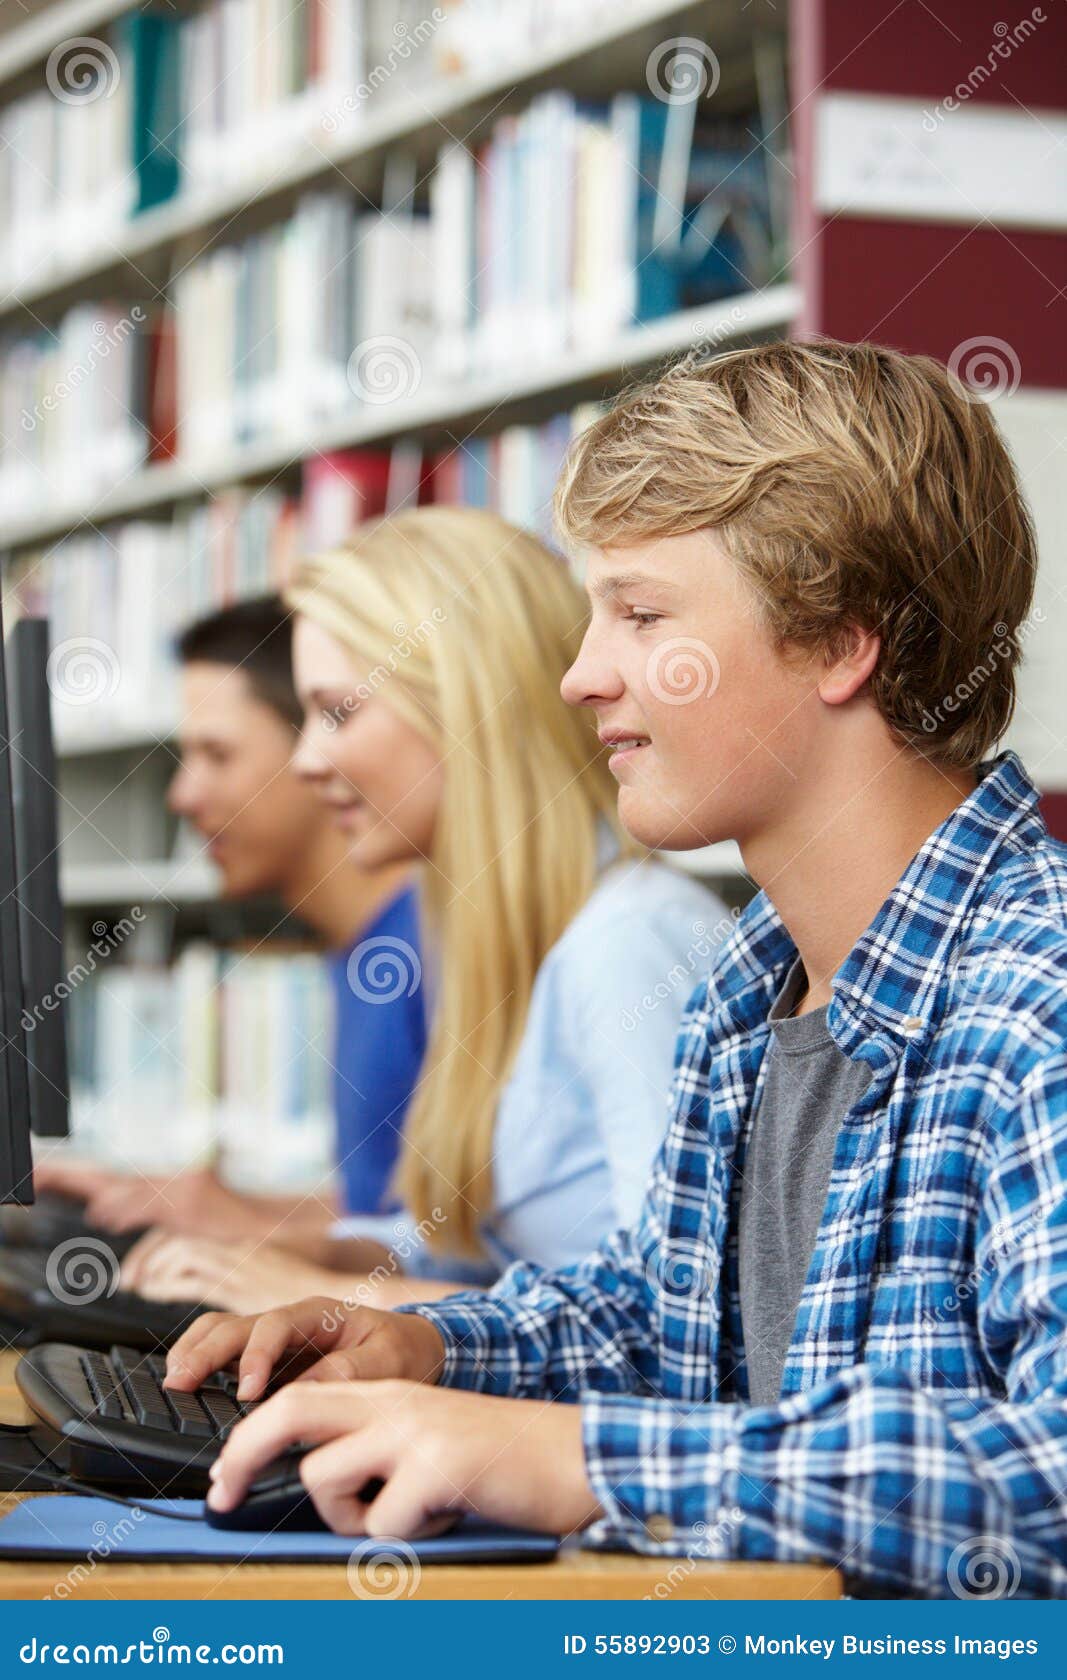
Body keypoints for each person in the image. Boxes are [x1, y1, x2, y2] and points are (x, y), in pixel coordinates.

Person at [167, 342, 1067, 1598]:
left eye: (641, 616)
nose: (581, 674)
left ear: (839, 643)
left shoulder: (1036, 992)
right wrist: (427, 1344)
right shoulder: (750, 988)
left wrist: (582, 1458)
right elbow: (666, 1322)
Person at [120, 508, 731, 1312]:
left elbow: (680, 1324)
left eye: (337, 711)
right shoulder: (489, 936)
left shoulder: (629, 942)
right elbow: (485, 1248)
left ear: (466, 703)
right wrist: (318, 1254)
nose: (305, 760)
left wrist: (320, 1293)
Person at [35, 596, 424, 1245]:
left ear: (319, 742)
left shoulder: (431, 952)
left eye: (216, 754)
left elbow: (477, 1261)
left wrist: (247, 1232)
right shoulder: (363, 949)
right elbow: (393, 1222)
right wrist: (192, 1207)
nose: (181, 795)